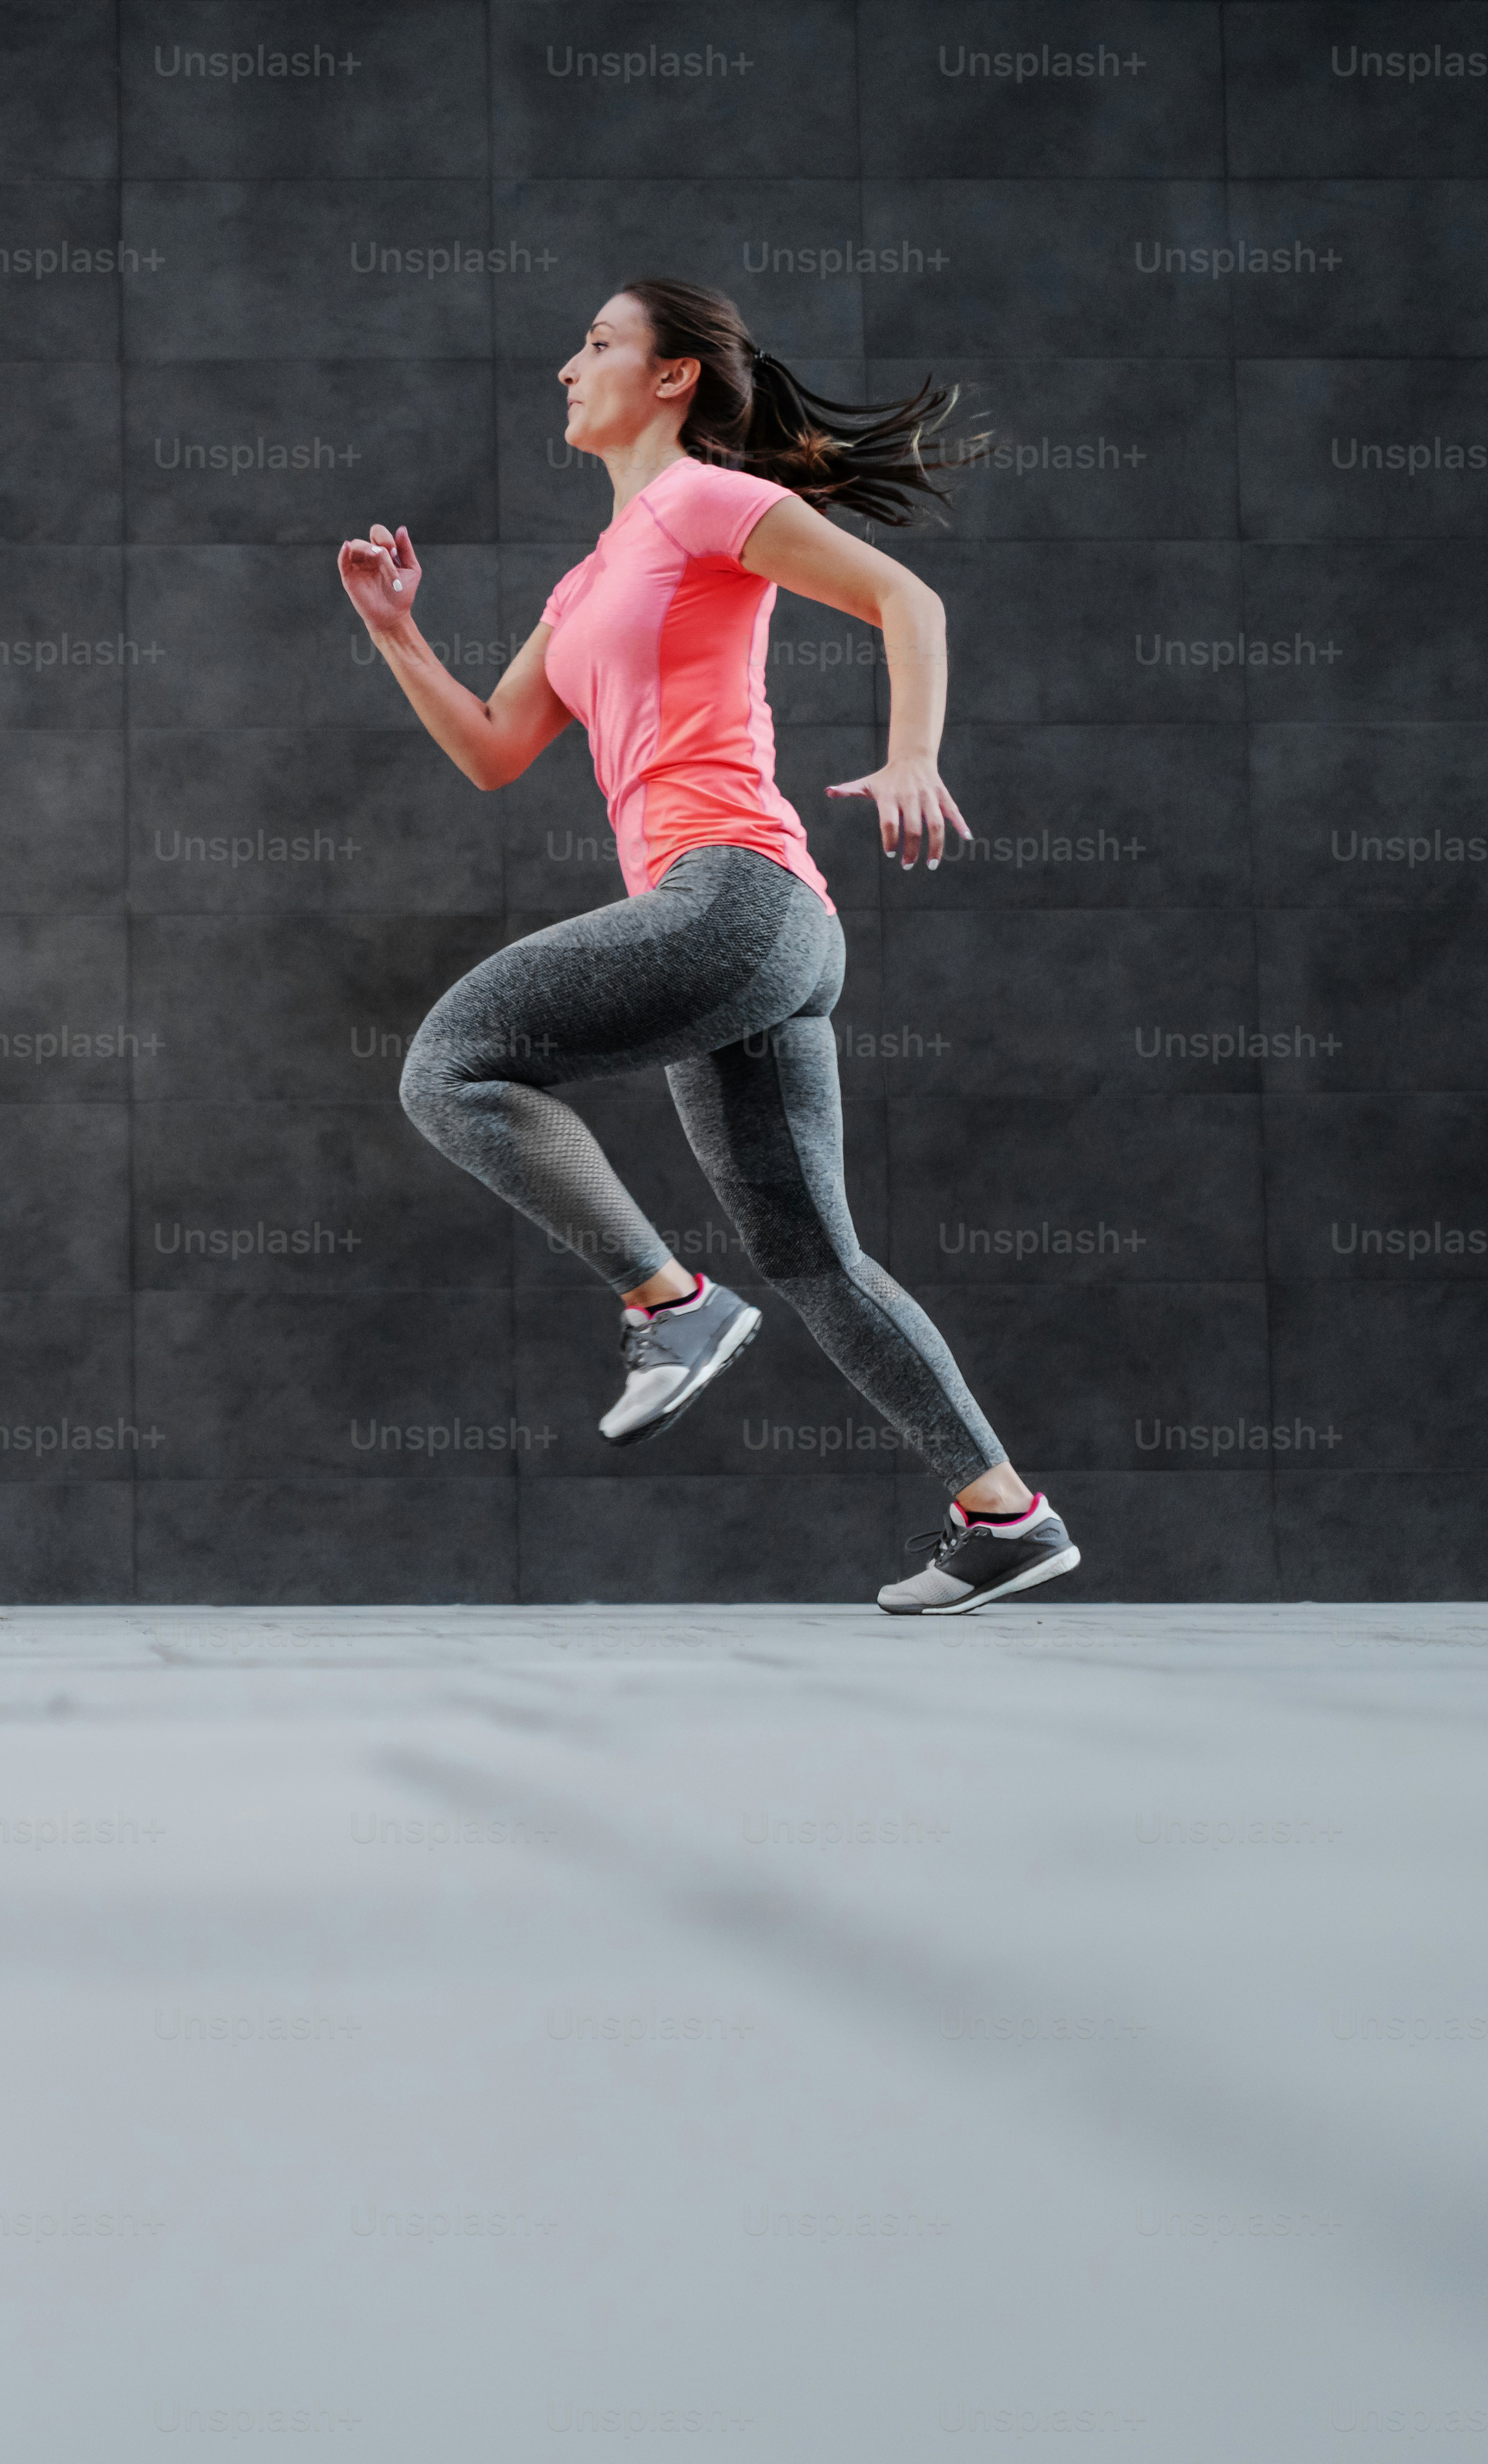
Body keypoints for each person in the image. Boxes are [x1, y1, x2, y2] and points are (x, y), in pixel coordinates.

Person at [333, 277, 1077, 1617]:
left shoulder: (702, 502)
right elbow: (497, 751)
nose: (570, 366)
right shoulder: (593, 571)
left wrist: (913, 755)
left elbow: (909, 601)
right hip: (762, 933)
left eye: (601, 344)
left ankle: (670, 1308)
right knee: (814, 1261)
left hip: (732, 898)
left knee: (453, 1065)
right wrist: (396, 634)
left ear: (674, 378)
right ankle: (1004, 1515)